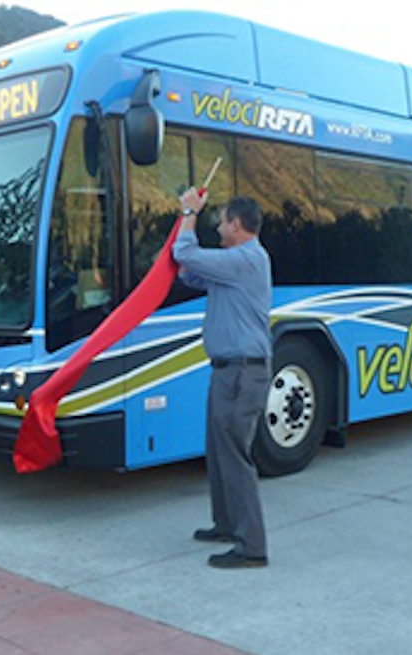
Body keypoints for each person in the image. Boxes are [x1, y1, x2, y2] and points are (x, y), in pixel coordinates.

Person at [172, 191, 273, 570]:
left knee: (235, 456)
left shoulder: (246, 259)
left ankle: (252, 547)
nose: (216, 226)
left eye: (221, 220)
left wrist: (188, 213)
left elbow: (186, 254)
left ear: (236, 225)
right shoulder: (233, 265)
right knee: (218, 452)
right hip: (229, 371)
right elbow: (189, 272)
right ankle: (226, 524)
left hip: (241, 373)